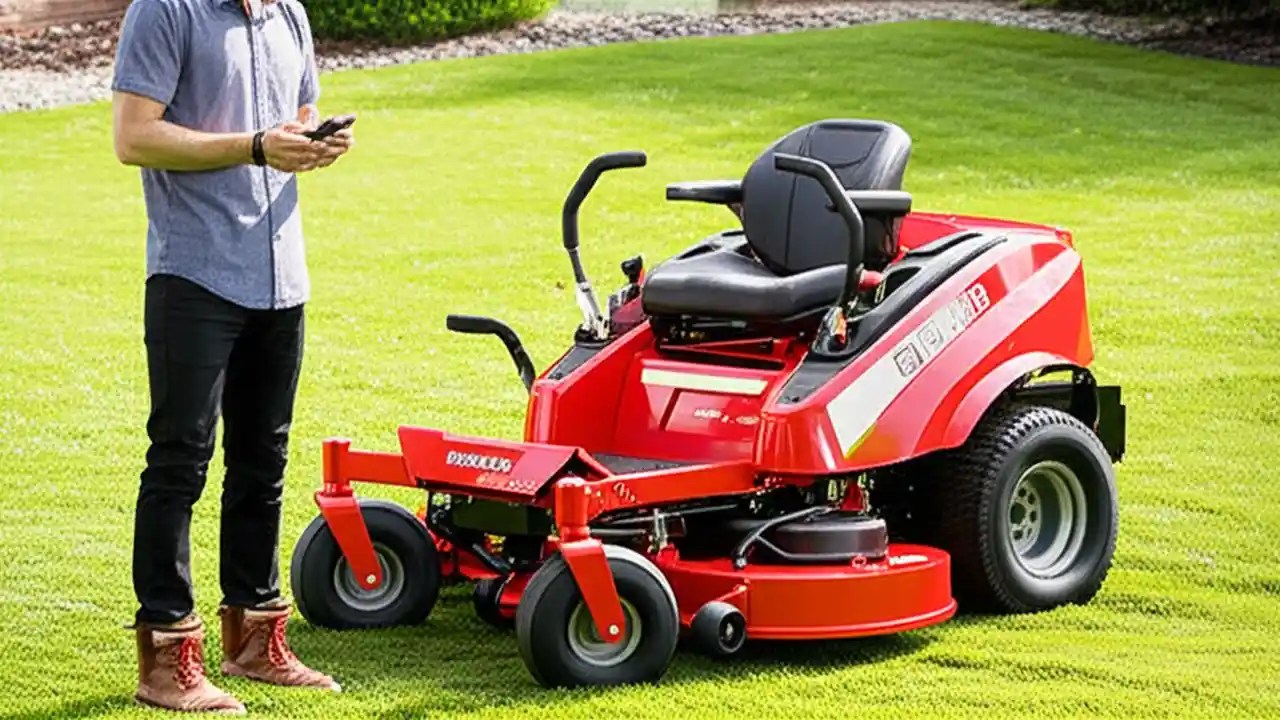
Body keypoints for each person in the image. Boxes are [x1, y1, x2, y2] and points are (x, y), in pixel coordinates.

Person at [110, 0, 353, 713]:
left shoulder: (291, 16)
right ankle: (165, 659)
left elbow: (297, 115)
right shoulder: (164, 11)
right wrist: (253, 146)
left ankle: (255, 639)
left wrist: (314, 141)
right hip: (194, 272)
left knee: (265, 460)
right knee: (179, 460)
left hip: (282, 274)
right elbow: (134, 138)